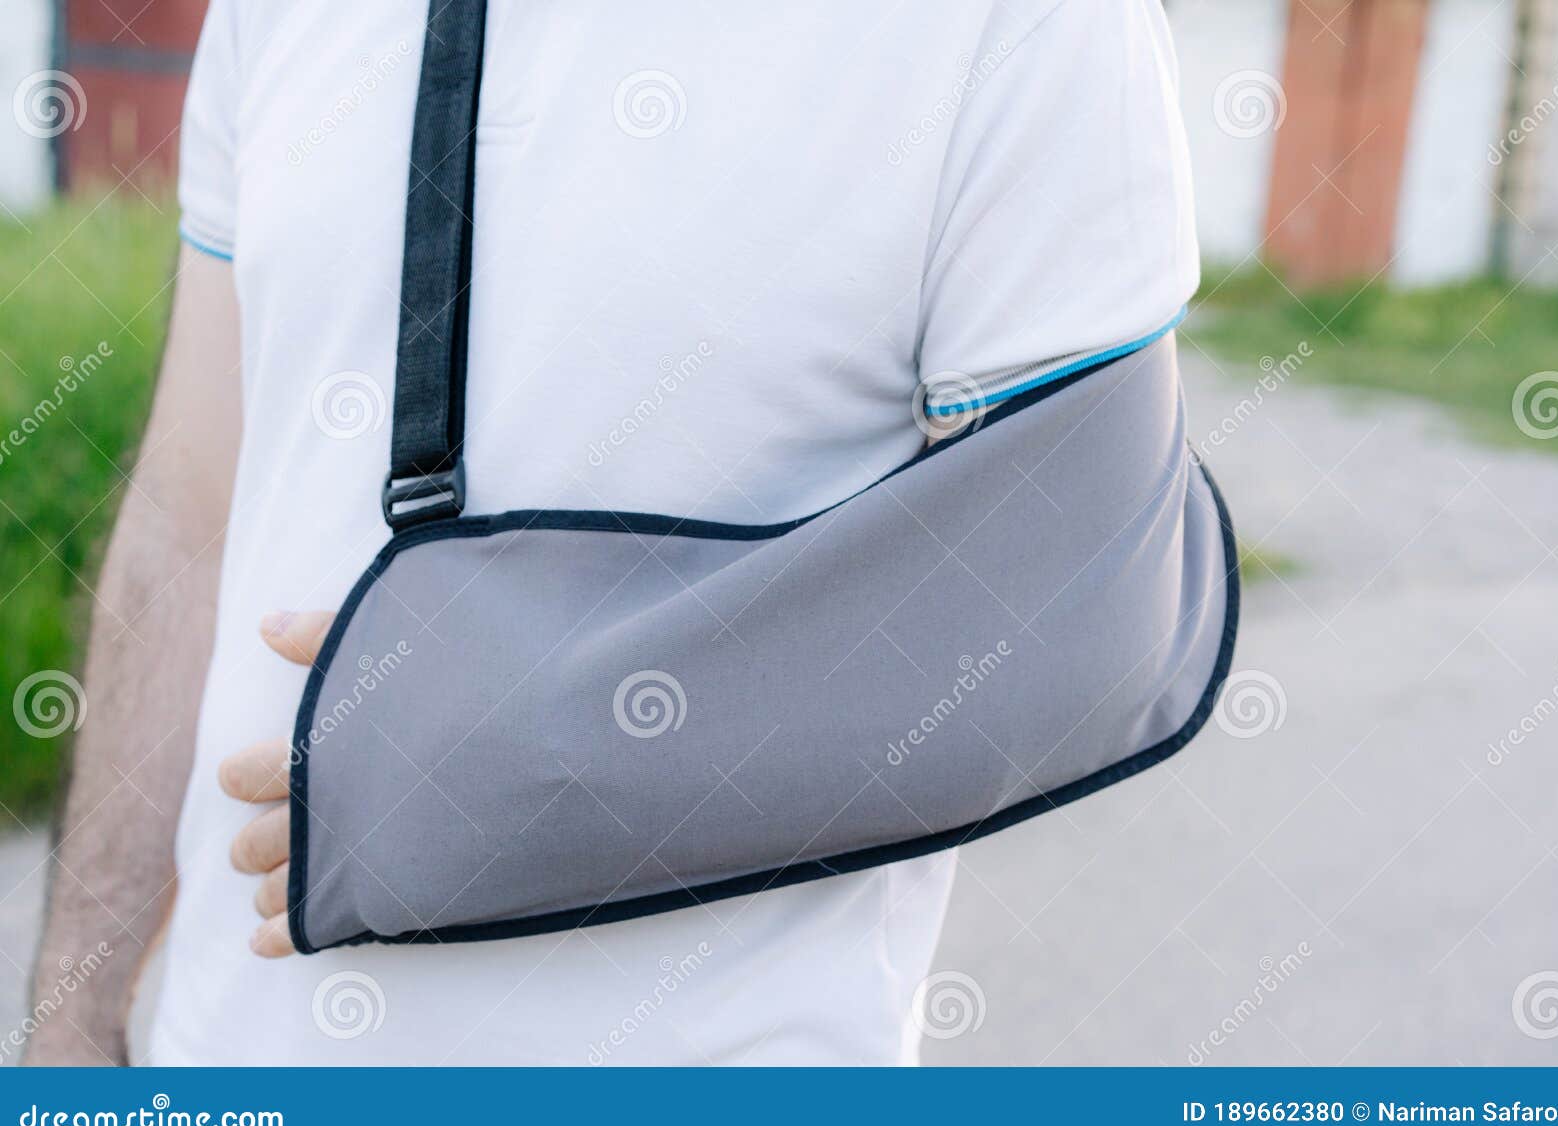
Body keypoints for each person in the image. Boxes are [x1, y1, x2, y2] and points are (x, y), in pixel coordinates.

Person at [27, 0, 1196, 1065]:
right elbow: (187, 518)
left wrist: (526, 749)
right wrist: (71, 1015)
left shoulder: (1026, 27)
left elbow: (1090, 607)